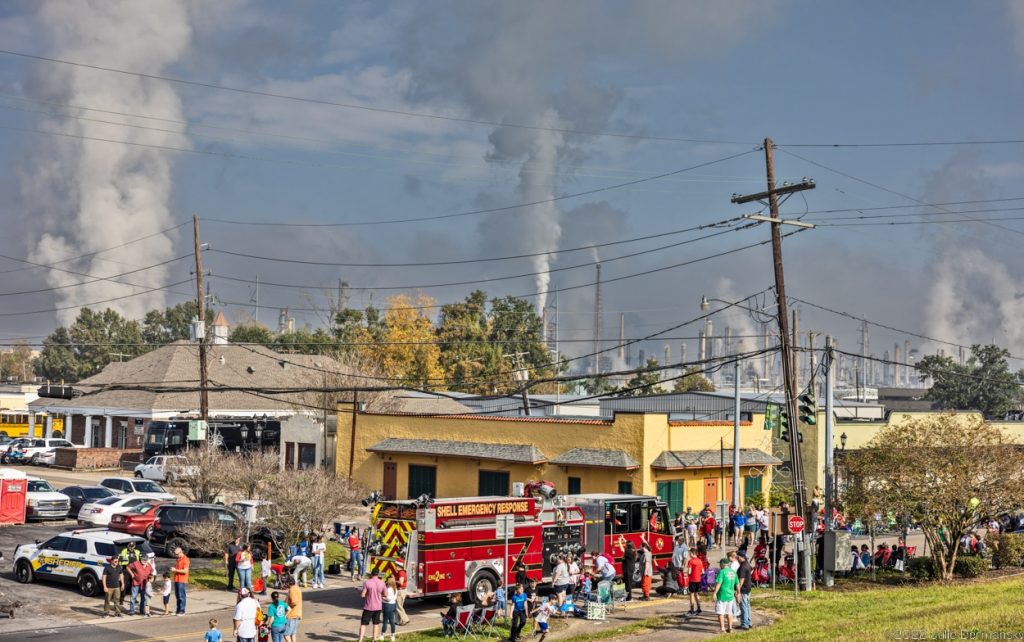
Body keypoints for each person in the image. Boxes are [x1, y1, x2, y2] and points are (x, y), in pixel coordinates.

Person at [358, 568, 386, 642]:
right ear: (378, 574)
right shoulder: (382, 583)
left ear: (371, 574)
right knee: (376, 624)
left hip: (368, 606)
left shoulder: (367, 582)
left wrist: (367, 594)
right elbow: (385, 594)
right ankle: (374, 639)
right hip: (378, 607)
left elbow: (362, 595)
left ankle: (360, 640)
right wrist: (380, 594)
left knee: (363, 624)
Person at [714, 557, 738, 634]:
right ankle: (730, 628)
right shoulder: (733, 572)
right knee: (729, 612)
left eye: (720, 564)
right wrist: (738, 592)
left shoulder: (722, 572)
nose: (719, 566)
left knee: (720, 612)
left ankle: (722, 629)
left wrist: (714, 593)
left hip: (722, 595)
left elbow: (719, 583)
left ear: (722, 564)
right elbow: (737, 583)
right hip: (730, 595)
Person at [736, 551, 753, 631]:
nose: (736, 558)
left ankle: (745, 624)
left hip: (744, 589)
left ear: (740, 557)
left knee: (743, 606)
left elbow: (741, 579)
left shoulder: (743, 566)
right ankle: (749, 622)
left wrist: (738, 590)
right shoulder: (747, 564)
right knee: (747, 605)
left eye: (737, 557)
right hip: (748, 587)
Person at [284, 575, 303, 642]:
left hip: (291, 615)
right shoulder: (297, 588)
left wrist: (287, 605)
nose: (285, 584)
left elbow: (294, 602)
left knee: (286, 634)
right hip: (297, 614)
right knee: (293, 634)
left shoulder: (292, 590)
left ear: (289, 583)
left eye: (286, 582)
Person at [686, 549, 704, 616]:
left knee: (691, 594)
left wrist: (687, 574)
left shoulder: (690, 561)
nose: (689, 555)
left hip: (692, 580)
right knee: (696, 594)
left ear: (693, 553)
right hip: (698, 579)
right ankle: (699, 608)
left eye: (690, 553)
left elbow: (689, 572)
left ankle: (692, 609)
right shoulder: (699, 561)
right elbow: (703, 571)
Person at [172, 547, 189, 616]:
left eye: (177, 554)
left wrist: (175, 570)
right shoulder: (178, 559)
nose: (176, 556)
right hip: (177, 579)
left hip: (181, 580)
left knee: (181, 596)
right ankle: (178, 610)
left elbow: (185, 571)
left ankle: (182, 611)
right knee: (178, 596)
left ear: (181, 552)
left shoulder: (185, 559)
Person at [382, 574, 399, 642]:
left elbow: (388, 599)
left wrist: (382, 597)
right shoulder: (395, 589)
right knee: (392, 621)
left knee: (385, 621)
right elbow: (394, 598)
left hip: (387, 605)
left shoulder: (388, 589)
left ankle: (382, 635)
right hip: (393, 605)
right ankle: (392, 635)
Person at [394, 560, 411, 625]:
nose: (395, 567)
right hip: (402, 590)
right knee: (399, 606)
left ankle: (405, 619)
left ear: (399, 566)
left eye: (396, 566)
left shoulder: (401, 573)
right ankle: (397, 620)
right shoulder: (402, 572)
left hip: (401, 590)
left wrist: (394, 580)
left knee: (399, 607)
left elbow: (401, 582)